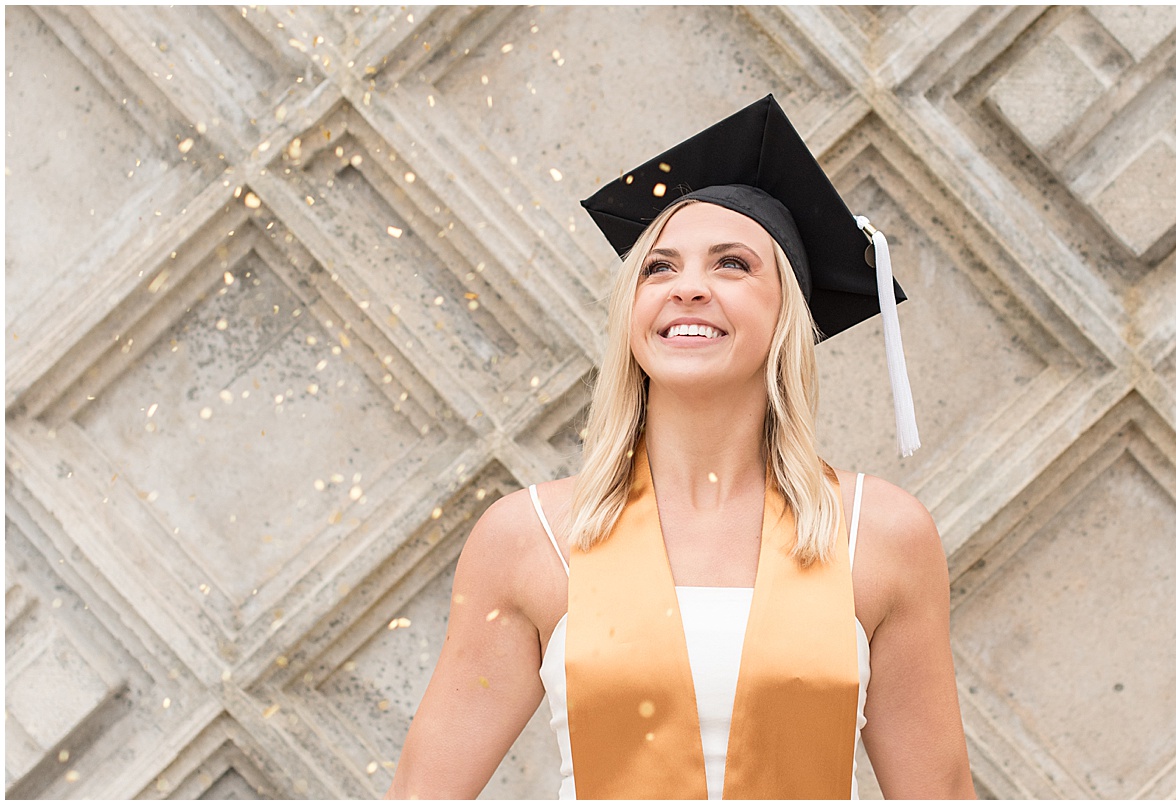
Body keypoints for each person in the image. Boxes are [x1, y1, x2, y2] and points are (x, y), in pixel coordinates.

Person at [386, 95, 975, 799]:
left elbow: (937, 793)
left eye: (731, 265)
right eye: (659, 268)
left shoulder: (876, 535)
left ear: (789, 311)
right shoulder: (532, 538)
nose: (688, 287)